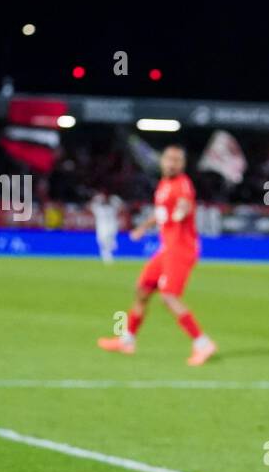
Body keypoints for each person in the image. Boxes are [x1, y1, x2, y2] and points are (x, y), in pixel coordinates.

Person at [97, 145, 216, 365]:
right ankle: (127, 339)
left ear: (182, 164)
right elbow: (162, 213)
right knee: (142, 290)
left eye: (177, 160)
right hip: (166, 248)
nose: (172, 163)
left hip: (181, 248)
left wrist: (182, 212)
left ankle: (203, 343)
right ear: (162, 161)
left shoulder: (183, 184)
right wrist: (143, 227)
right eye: (169, 159)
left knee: (169, 296)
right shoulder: (164, 185)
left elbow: (184, 204)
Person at [90, 190, 122, 264]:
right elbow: (92, 205)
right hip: (101, 226)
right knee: (101, 239)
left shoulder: (112, 208)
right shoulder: (98, 209)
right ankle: (106, 253)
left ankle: (109, 250)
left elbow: (120, 205)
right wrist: (97, 198)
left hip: (111, 225)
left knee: (110, 239)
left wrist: (113, 198)